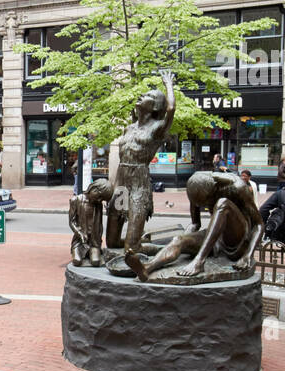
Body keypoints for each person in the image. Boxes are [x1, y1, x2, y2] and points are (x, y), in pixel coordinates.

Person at [124, 171, 263, 281]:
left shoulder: (237, 187)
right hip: (215, 237)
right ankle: (147, 268)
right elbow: (196, 223)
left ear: (213, 190)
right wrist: (184, 241)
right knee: (179, 239)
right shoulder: (195, 188)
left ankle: (199, 261)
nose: (202, 206)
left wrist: (247, 255)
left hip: (238, 239)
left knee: (223, 203)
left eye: (206, 203)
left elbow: (259, 225)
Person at [107, 77, 175, 257]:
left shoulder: (157, 128)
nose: (141, 95)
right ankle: (138, 241)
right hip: (122, 186)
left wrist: (168, 84)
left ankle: (175, 248)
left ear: (155, 107)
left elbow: (171, 109)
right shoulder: (128, 128)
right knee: (112, 241)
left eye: (148, 95)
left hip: (139, 185)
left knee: (131, 250)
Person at [69, 178, 113, 266]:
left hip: (94, 242)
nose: (99, 200)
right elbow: (72, 222)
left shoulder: (98, 205)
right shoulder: (76, 200)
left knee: (95, 262)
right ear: (93, 188)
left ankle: (93, 252)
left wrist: (98, 241)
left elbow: (99, 224)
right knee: (77, 261)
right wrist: (80, 233)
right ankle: (79, 252)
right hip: (80, 241)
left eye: (102, 199)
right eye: (99, 196)